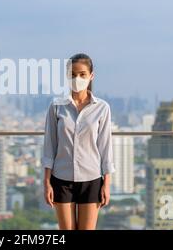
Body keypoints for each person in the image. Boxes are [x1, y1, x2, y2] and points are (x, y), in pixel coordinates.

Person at [42, 53, 115, 230]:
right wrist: (46, 183)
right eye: (73, 74)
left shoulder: (102, 108)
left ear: (91, 76)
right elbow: (49, 146)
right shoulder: (56, 106)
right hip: (61, 178)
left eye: (82, 74)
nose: (77, 78)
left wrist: (107, 184)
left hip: (92, 179)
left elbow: (106, 148)